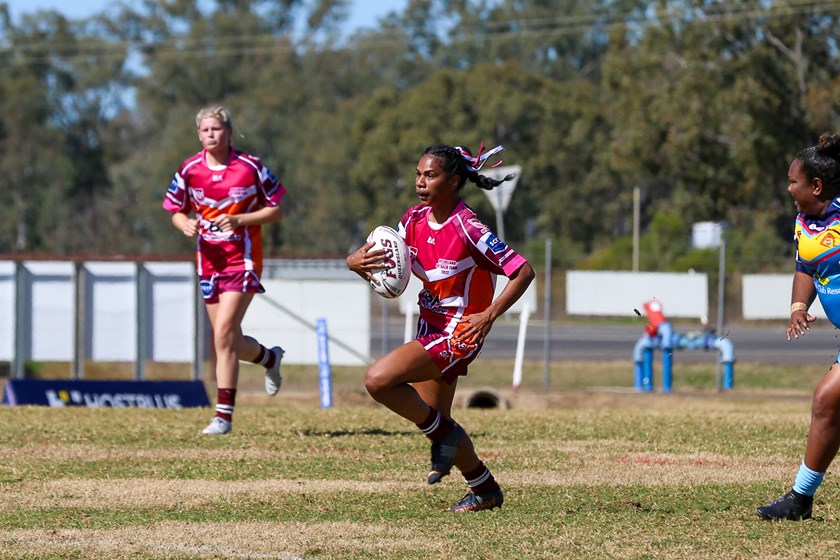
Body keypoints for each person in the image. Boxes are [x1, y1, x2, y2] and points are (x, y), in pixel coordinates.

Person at [346, 143, 535, 512]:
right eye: (418, 174)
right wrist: (356, 262)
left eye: (430, 175)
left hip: (459, 332)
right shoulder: (412, 220)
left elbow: (523, 271)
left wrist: (489, 314)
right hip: (429, 327)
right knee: (437, 421)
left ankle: (446, 440)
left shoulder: (469, 227)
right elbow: (384, 262)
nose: (420, 182)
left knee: (378, 380)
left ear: (454, 181)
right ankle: (484, 488)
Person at [163, 105, 286, 435]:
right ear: (198, 134)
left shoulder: (250, 167)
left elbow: (276, 210)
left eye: (216, 129)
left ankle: (223, 417)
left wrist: (240, 219)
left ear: (229, 132)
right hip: (209, 263)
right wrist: (183, 224)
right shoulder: (190, 169)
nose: (210, 135)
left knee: (222, 336)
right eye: (205, 130)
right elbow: (174, 208)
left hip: (242, 260)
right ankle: (269, 359)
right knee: (227, 340)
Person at [756, 132, 840, 520]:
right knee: (828, 404)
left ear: (816, 185)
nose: (789, 187)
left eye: (794, 181)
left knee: (827, 399)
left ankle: (800, 499)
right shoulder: (804, 222)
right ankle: (800, 500)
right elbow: (805, 265)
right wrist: (797, 307)